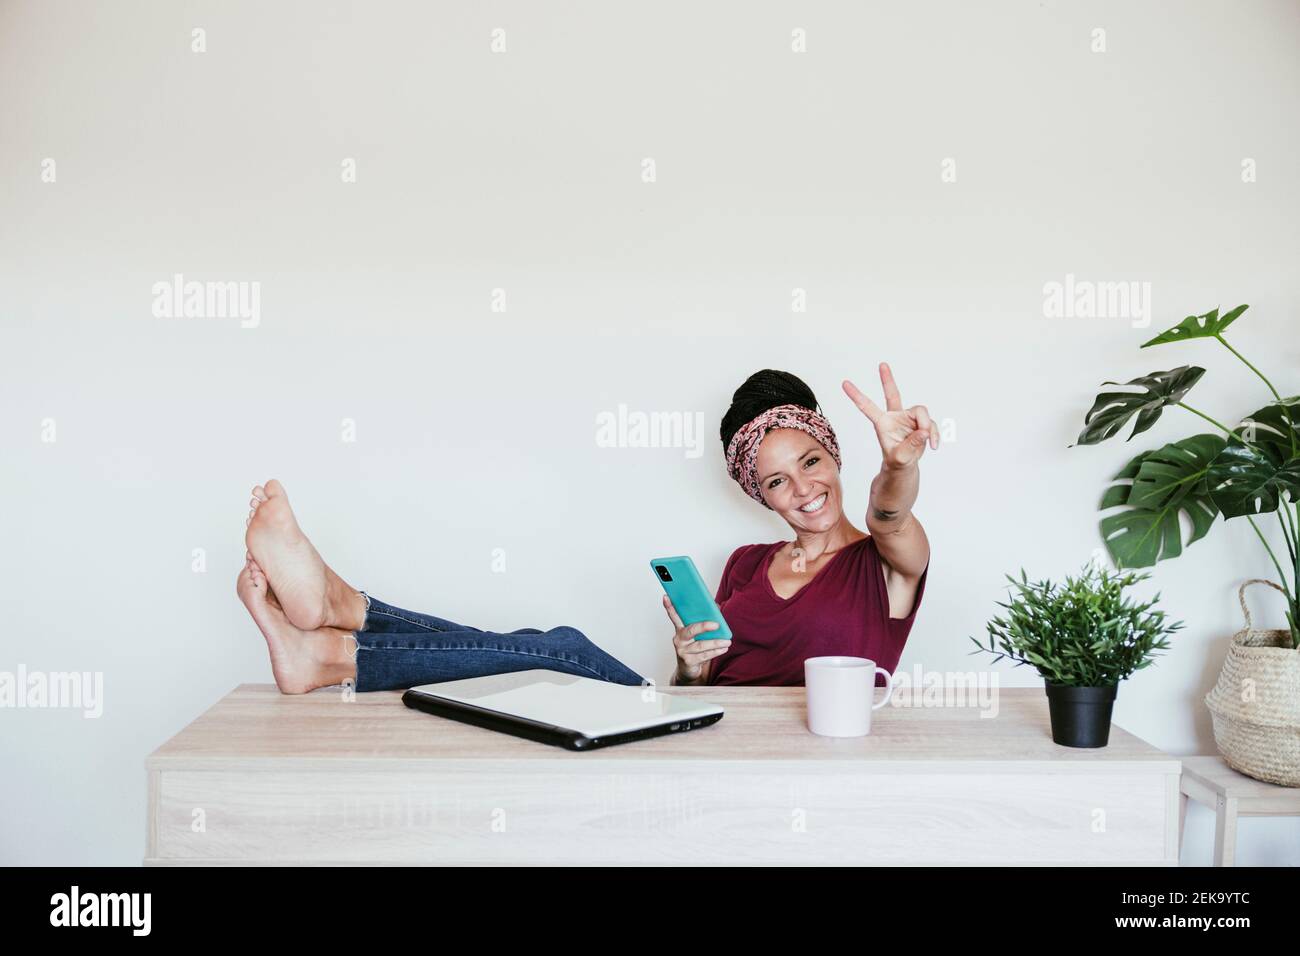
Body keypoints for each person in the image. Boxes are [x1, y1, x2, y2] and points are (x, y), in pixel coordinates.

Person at [237, 480, 646, 693]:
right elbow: (684, 692)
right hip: (672, 705)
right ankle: (340, 617)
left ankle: (338, 644)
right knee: (535, 643)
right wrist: (682, 666)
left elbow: (685, 705)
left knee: (566, 649)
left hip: (672, 717)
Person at [667, 364, 935, 687]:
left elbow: (889, 518)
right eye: (777, 481)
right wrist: (687, 672)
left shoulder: (885, 563)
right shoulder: (744, 563)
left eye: (810, 462)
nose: (804, 488)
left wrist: (898, 468)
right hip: (717, 719)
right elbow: (698, 689)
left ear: (833, 455)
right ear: (763, 496)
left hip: (818, 721)